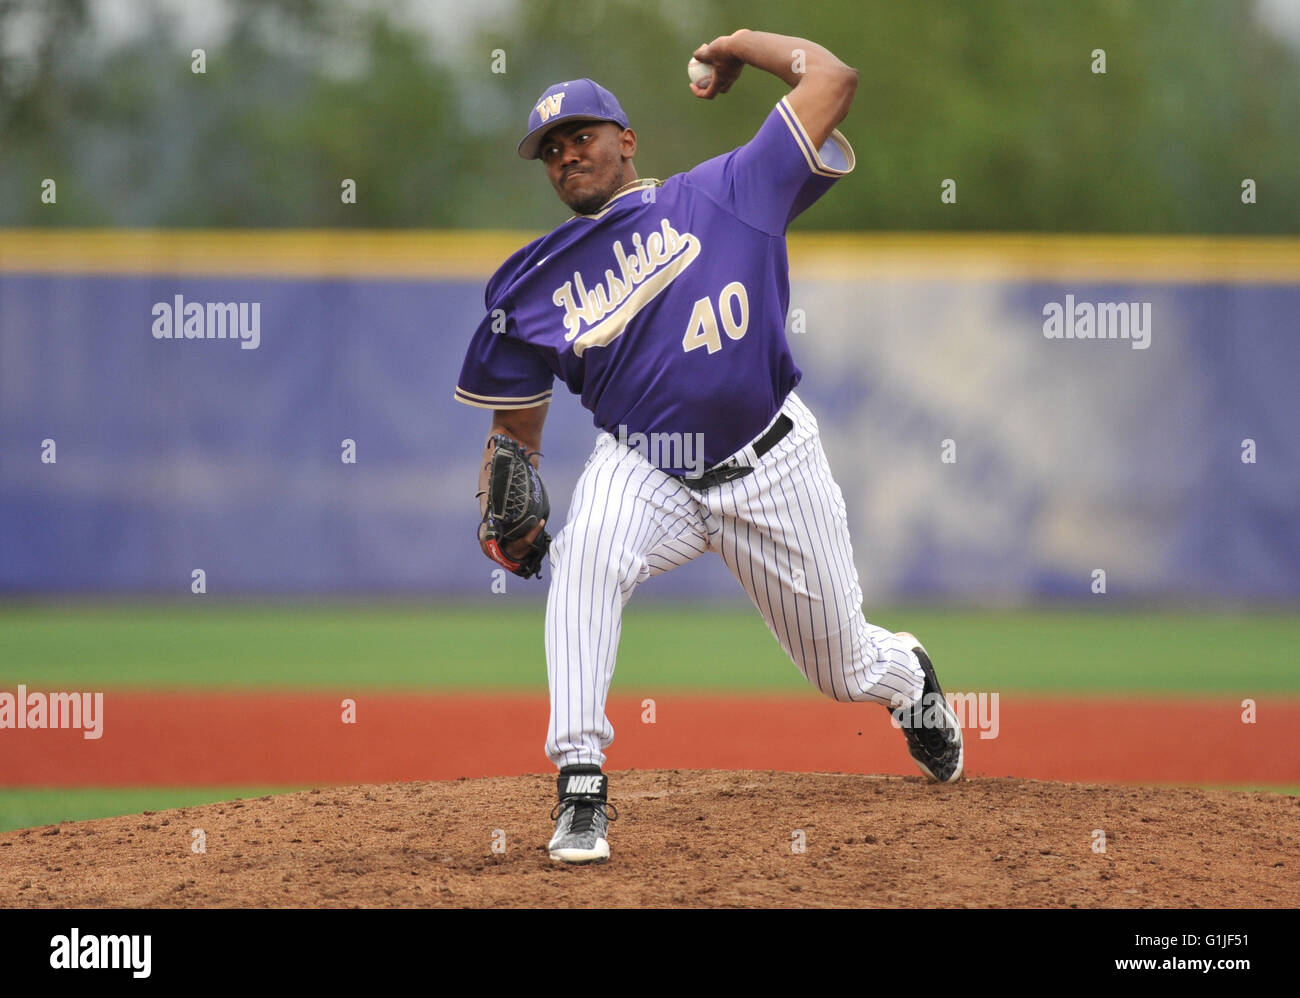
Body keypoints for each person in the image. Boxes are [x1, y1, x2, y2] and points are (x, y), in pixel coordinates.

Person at [454, 29, 963, 866]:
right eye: (550, 149)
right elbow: (514, 436)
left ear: (627, 141)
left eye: (581, 134)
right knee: (584, 558)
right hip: (645, 466)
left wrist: (737, 45)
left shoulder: (729, 188)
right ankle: (581, 784)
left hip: (771, 460)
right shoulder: (528, 284)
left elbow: (833, 77)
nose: (567, 155)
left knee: (843, 667)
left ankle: (909, 681)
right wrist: (501, 505)